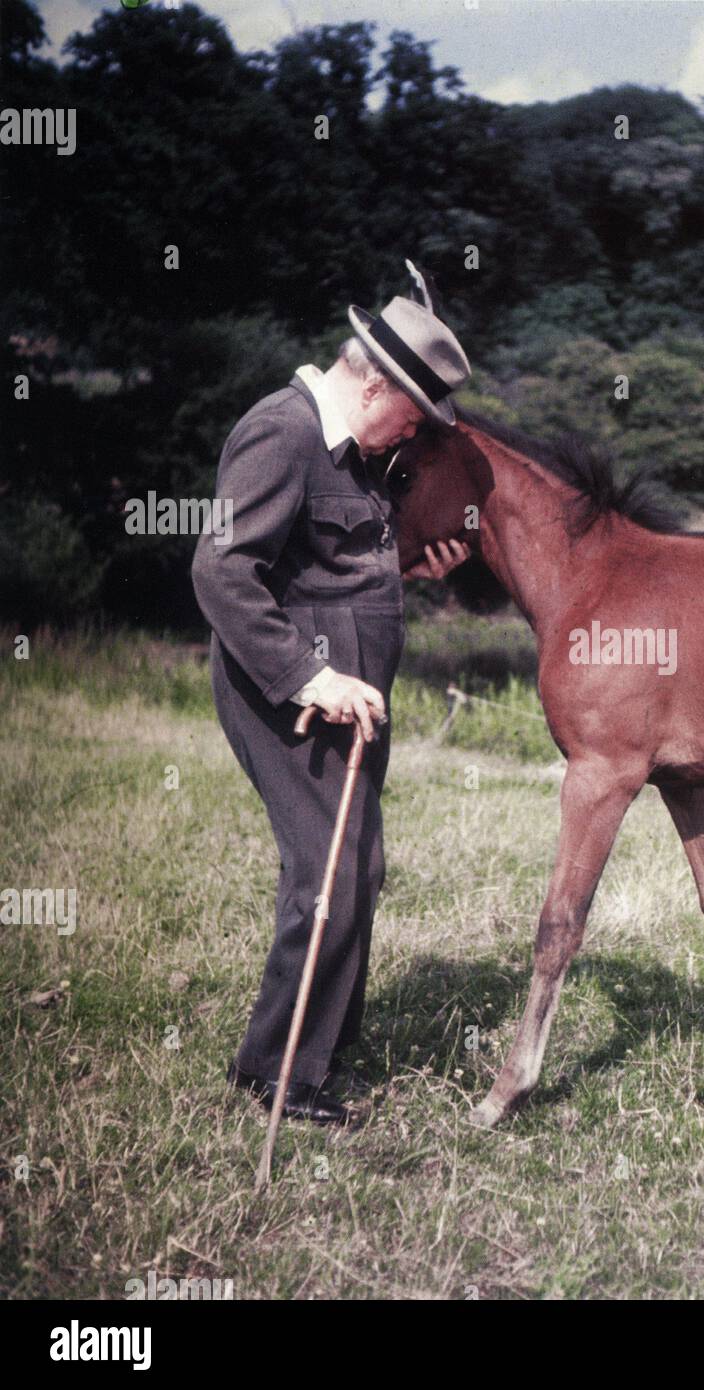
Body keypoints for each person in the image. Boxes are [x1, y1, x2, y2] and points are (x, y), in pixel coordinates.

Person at [192, 289, 471, 1123]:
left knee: (358, 869)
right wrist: (313, 678)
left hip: (352, 695)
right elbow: (222, 570)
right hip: (294, 693)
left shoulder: (354, 452)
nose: (415, 433)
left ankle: (319, 1055)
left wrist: (408, 573)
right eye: (416, 414)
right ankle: (275, 1077)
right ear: (379, 386)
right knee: (329, 874)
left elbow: (329, 560)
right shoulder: (282, 432)